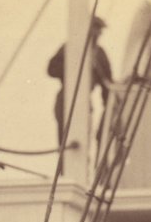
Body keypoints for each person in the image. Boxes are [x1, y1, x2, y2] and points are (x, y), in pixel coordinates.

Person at [48, 16, 113, 169]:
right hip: (65, 100)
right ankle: (64, 175)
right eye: (96, 29)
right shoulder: (69, 47)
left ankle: (81, 176)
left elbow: (107, 83)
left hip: (85, 102)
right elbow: (51, 70)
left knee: (83, 145)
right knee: (66, 145)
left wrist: (109, 107)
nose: (98, 34)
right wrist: (70, 63)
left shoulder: (99, 54)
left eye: (100, 30)